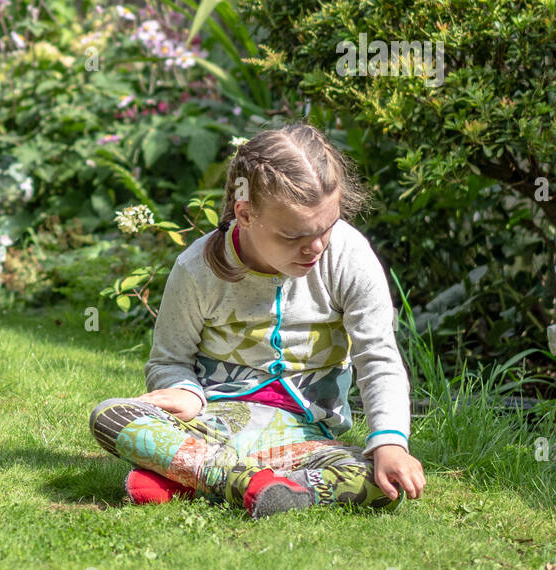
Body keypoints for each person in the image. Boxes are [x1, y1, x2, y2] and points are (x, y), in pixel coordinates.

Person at [89, 122, 426, 518]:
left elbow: (378, 357)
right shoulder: (196, 269)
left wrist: (390, 443)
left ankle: (196, 479)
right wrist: (185, 391)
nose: (316, 247)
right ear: (245, 214)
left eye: (327, 227)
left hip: (305, 440)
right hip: (212, 429)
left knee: (382, 481)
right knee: (110, 415)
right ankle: (256, 487)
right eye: (293, 236)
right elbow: (169, 360)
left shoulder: (349, 256)